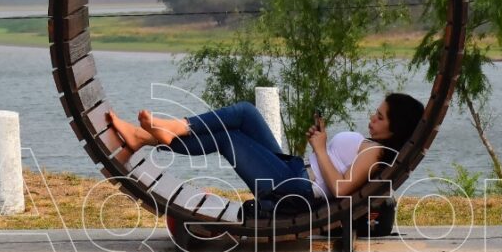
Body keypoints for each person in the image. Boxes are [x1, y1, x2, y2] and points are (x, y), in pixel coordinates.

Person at [107, 93, 424, 204]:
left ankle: (164, 132)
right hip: (293, 171)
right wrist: (320, 145)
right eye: (376, 112)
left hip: (295, 187)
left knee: (229, 136)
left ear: (395, 129)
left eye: (380, 117)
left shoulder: (376, 153)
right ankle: (147, 136)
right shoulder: (373, 147)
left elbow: (341, 189)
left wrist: (320, 147)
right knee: (245, 113)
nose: (372, 118)